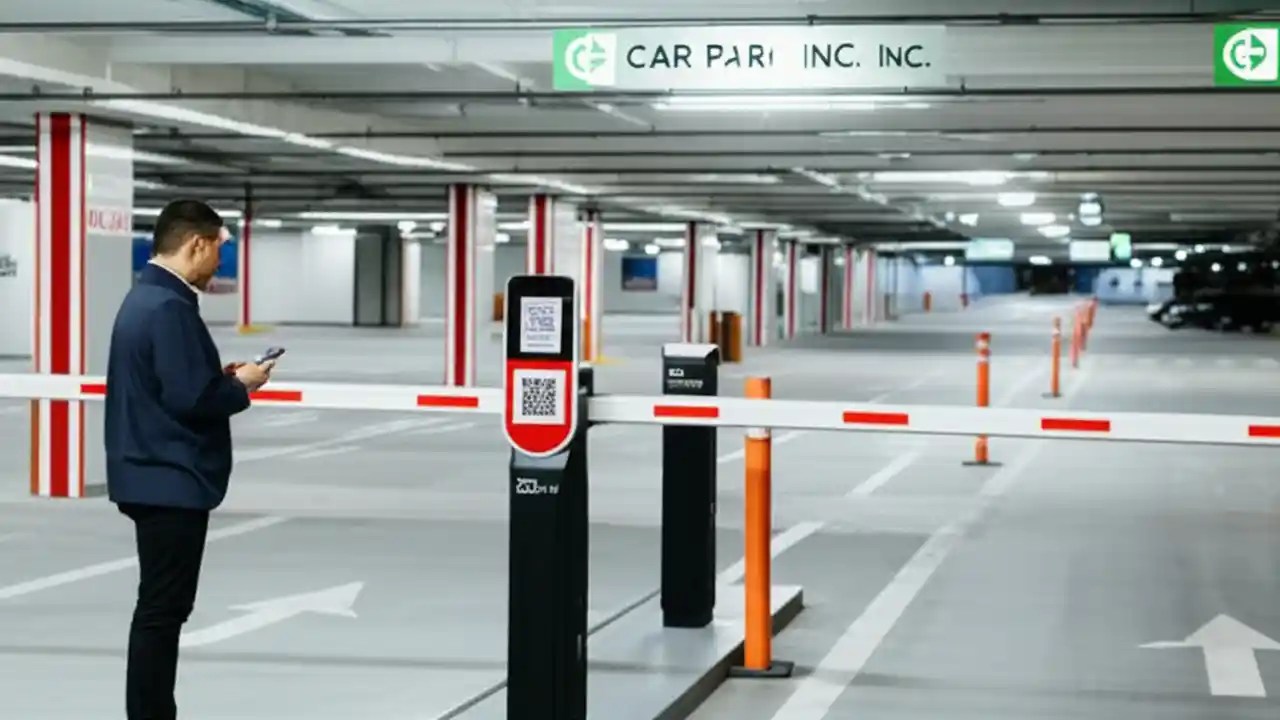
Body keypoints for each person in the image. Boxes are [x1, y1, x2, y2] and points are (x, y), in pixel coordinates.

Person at [104, 199, 275, 720]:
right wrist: (241, 385)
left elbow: (170, 385)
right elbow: (192, 401)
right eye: (219, 248)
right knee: (162, 611)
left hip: (147, 472)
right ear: (195, 242)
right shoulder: (170, 308)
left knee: (159, 608)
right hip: (170, 479)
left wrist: (213, 378)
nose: (220, 261)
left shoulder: (144, 299)